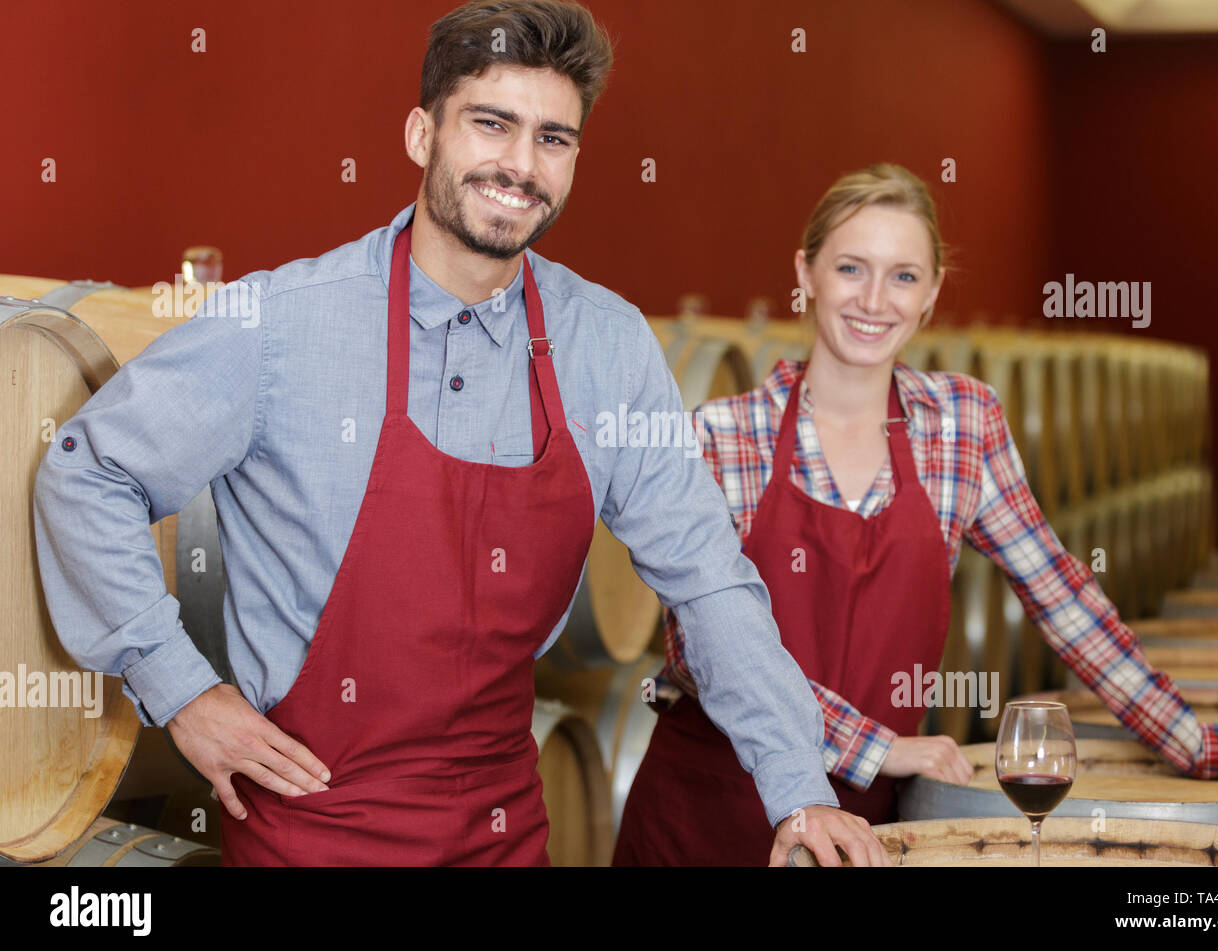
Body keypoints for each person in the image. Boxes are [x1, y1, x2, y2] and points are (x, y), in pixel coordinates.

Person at [32, 0, 888, 867]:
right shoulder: (282, 324)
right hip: (312, 834)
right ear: (420, 134)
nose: (521, 165)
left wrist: (800, 789)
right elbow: (88, 472)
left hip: (503, 833)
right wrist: (181, 690)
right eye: (491, 124)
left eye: (553, 138)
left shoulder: (607, 345)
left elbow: (707, 581)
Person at [612, 162, 1218, 866]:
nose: (874, 299)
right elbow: (703, 651)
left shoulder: (962, 425)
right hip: (705, 814)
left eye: (904, 276)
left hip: (869, 828)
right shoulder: (723, 434)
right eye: (851, 268)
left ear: (932, 293)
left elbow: (1063, 597)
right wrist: (880, 747)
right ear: (806, 273)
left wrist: (1185, 738)